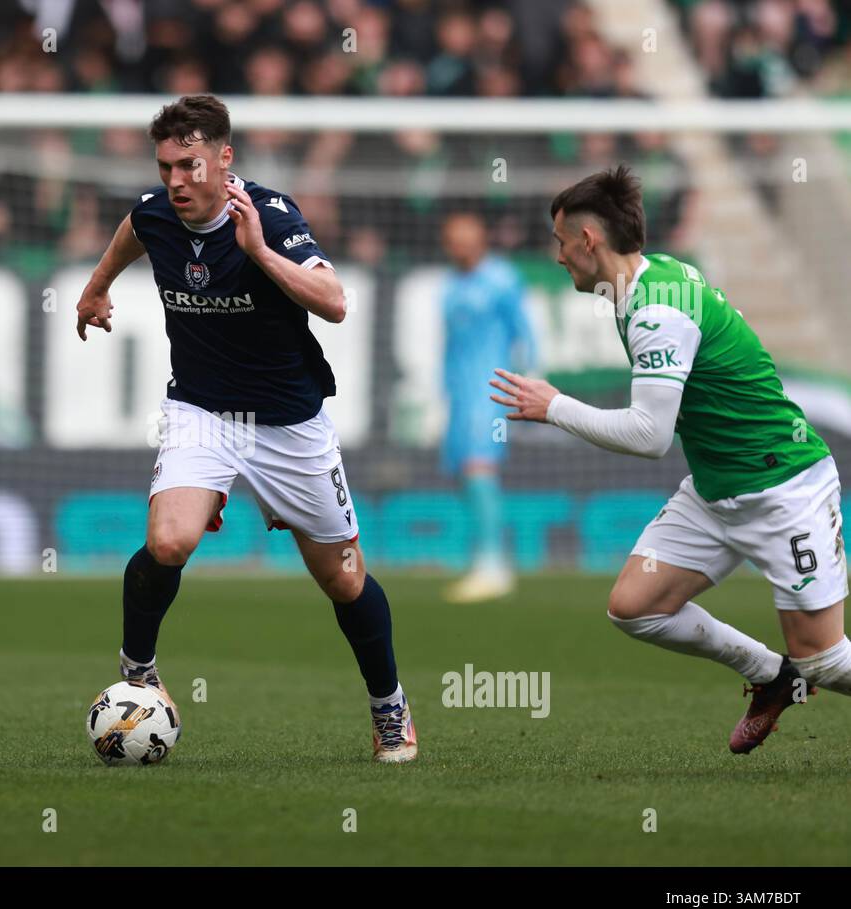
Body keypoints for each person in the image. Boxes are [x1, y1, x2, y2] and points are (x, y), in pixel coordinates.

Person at [75, 94, 416, 762]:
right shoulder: (155, 212)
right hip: (201, 411)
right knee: (168, 542)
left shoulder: (273, 215)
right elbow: (133, 230)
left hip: (291, 423)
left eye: (190, 165)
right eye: (167, 166)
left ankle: (390, 710)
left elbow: (336, 303)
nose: (177, 181)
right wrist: (95, 287)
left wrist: (258, 250)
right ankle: (138, 670)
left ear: (225, 159)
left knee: (345, 579)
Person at [491, 165, 845, 754]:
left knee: (828, 660)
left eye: (559, 242)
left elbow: (649, 435)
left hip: (782, 486)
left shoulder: (658, 312)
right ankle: (773, 676)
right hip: (717, 489)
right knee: (635, 607)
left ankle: (800, 670)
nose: (556, 257)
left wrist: (554, 407)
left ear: (588, 240)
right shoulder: (652, 282)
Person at [439, 211, 535, 602]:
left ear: (480, 240)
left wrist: (524, 385)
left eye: (466, 237)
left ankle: (494, 564)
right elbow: (449, 345)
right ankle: (483, 556)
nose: (459, 246)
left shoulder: (502, 279)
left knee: (480, 468)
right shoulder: (450, 286)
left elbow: (525, 335)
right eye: (452, 239)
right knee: (463, 473)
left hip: (491, 391)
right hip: (460, 397)